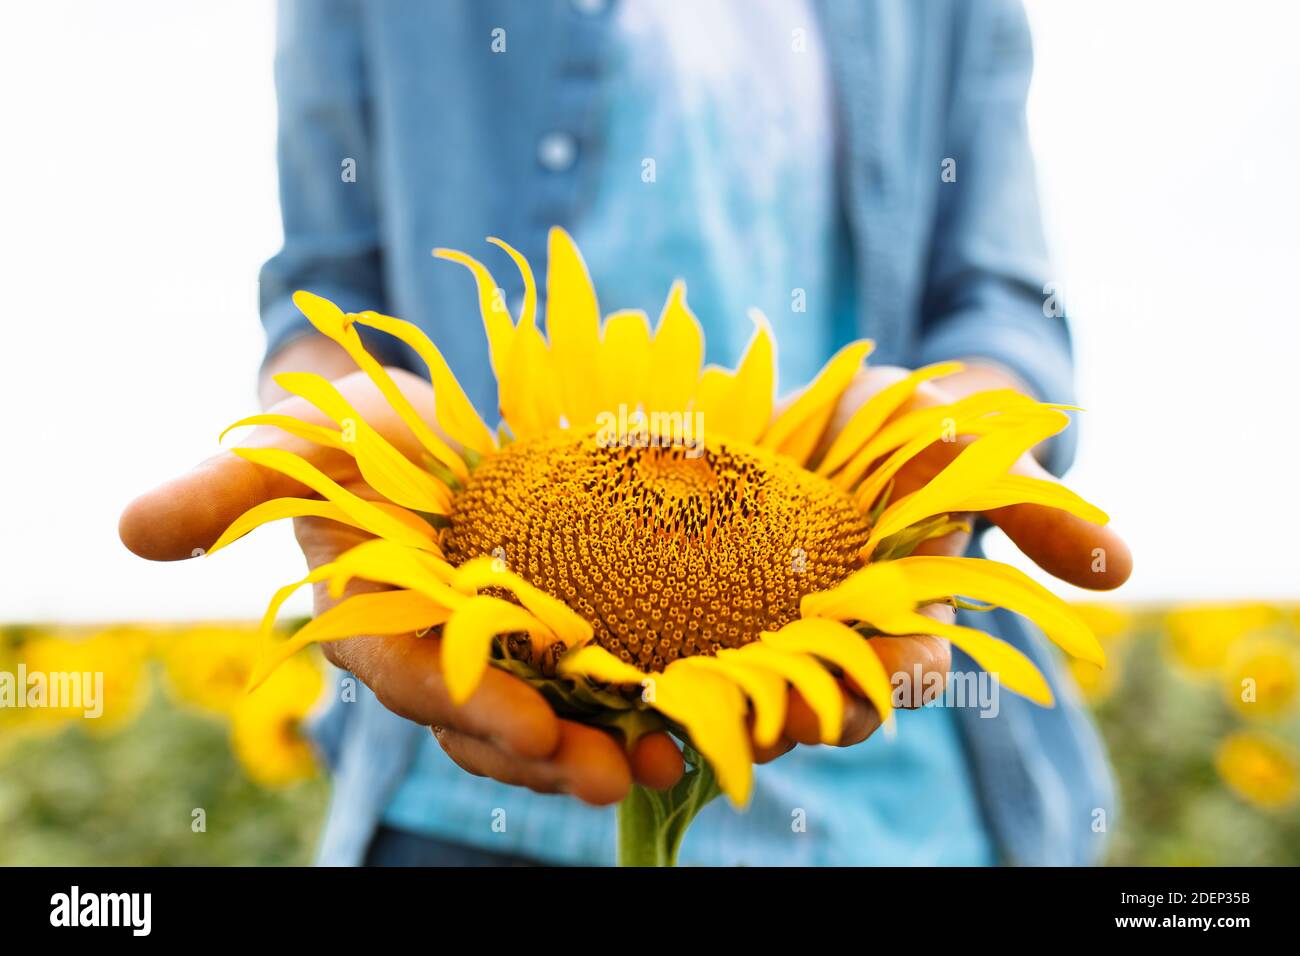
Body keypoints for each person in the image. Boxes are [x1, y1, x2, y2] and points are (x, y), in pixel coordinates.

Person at [120, 0, 1132, 866]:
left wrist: (960, 431)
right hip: (463, 789)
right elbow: (329, 284)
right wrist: (345, 424)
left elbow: (999, 295)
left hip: (901, 789)